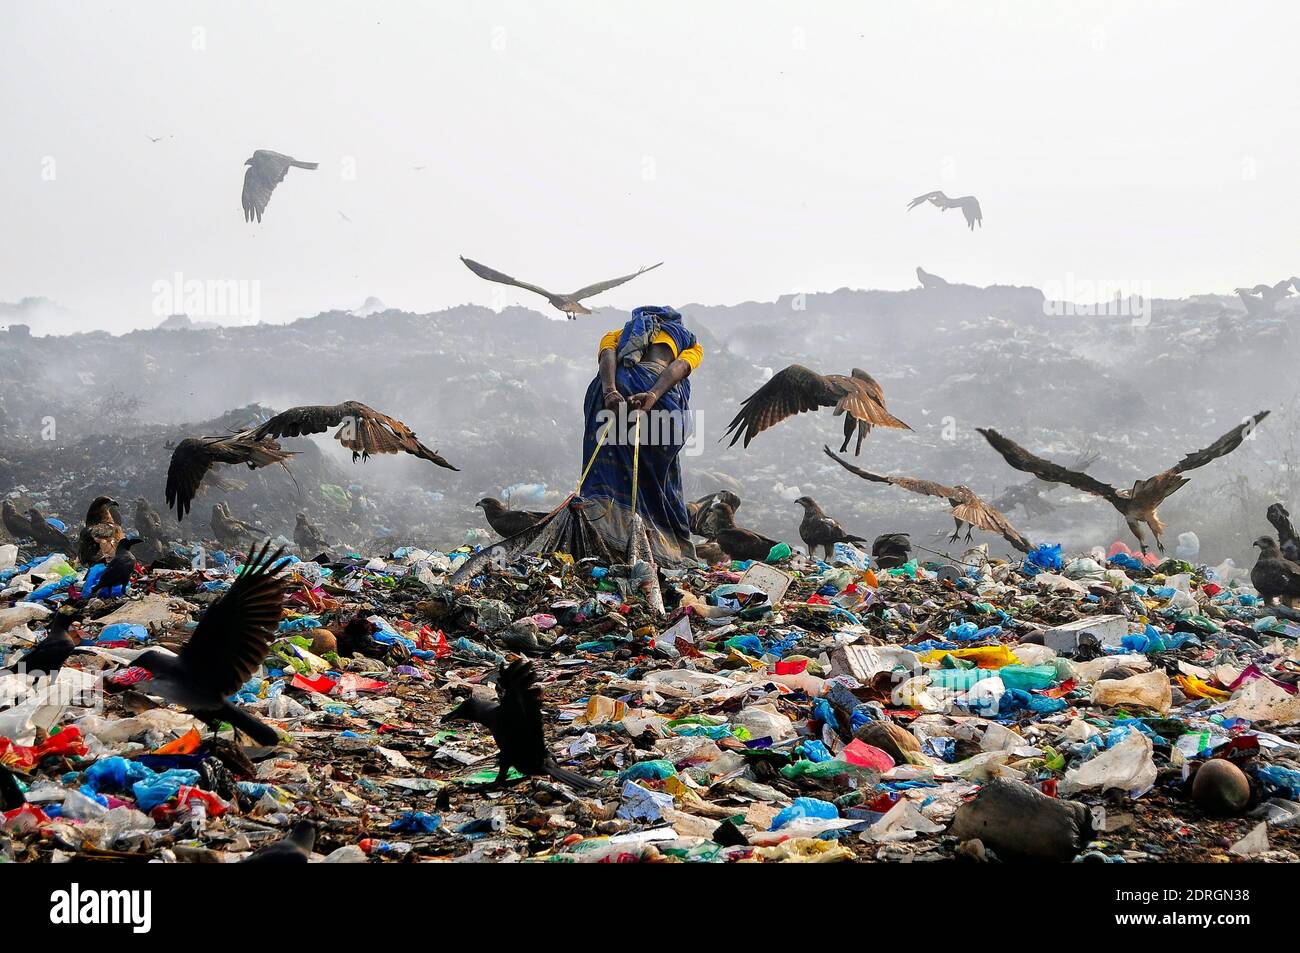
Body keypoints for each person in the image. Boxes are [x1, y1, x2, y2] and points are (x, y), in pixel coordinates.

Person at [581, 305, 702, 566]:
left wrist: (611, 391)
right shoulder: (689, 342)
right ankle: (662, 545)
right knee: (656, 475)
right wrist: (653, 395)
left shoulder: (618, 333)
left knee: (608, 461)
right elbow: (679, 367)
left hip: (616, 385)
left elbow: (608, 355)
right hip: (660, 395)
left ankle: (603, 532)